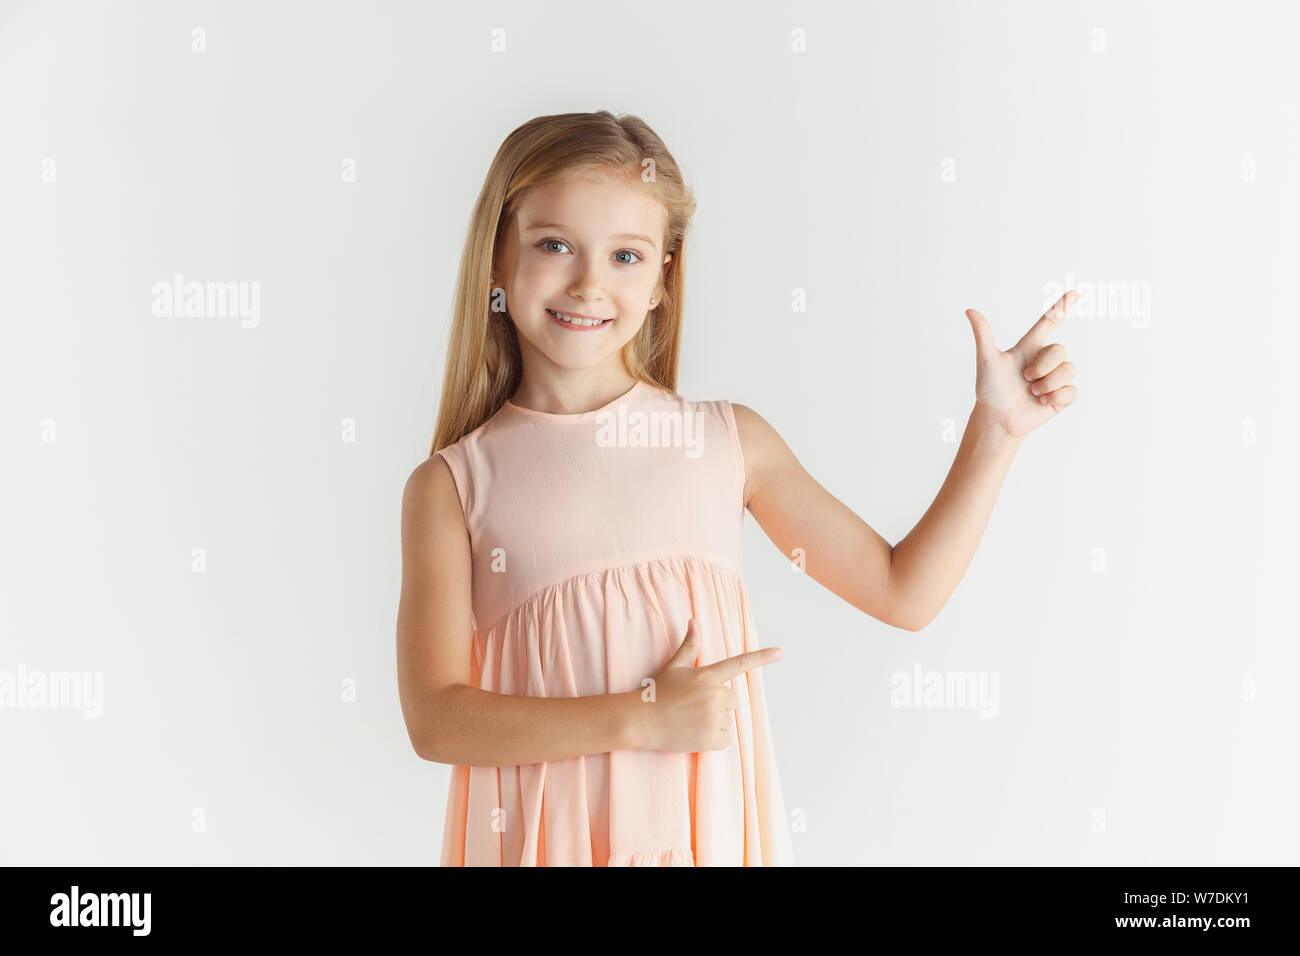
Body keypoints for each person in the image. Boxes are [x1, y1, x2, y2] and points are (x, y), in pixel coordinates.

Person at [396, 110, 1079, 866]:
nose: (589, 284)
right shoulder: (453, 487)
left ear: (662, 279)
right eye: (554, 245)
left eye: (626, 255)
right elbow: (437, 719)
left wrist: (997, 431)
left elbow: (903, 592)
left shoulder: (726, 444)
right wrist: (640, 718)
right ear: (497, 257)